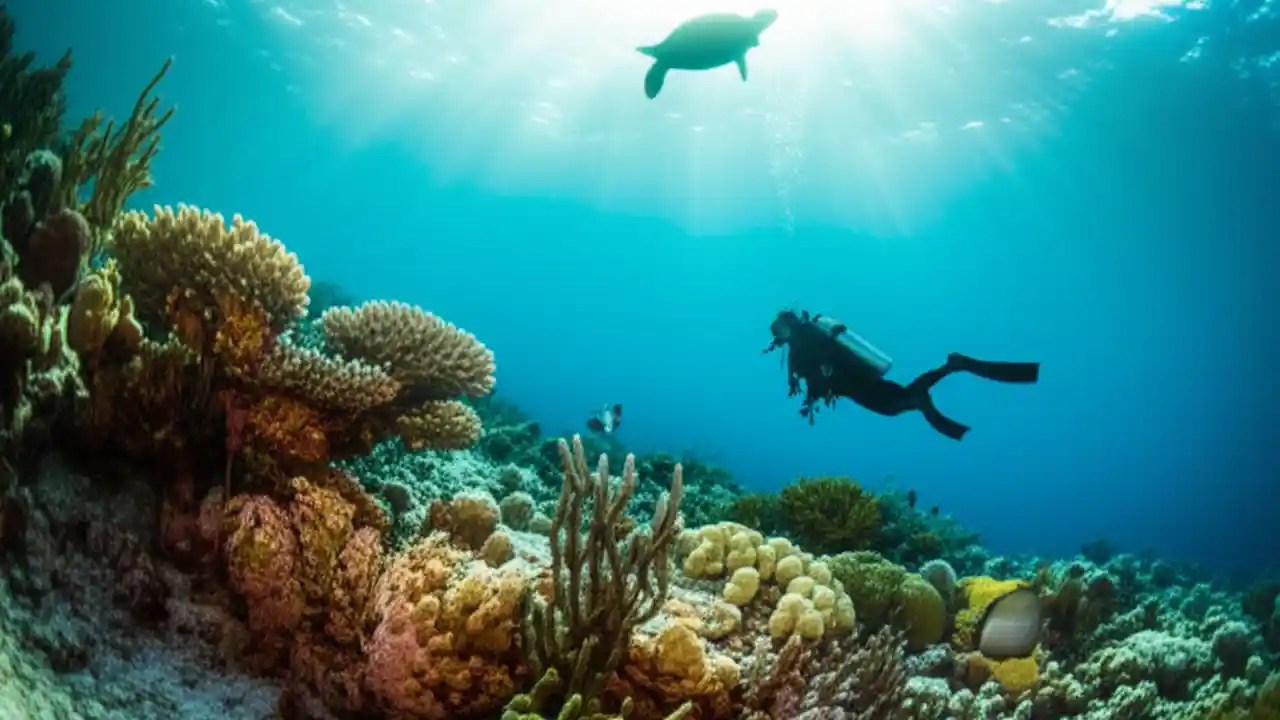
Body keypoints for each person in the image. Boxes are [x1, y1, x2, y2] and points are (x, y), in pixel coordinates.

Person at [764, 309, 1039, 440]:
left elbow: (820, 367)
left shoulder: (805, 341)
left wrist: (814, 388)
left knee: (896, 405)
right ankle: (950, 369)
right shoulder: (802, 343)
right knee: (900, 401)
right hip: (861, 382)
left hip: (858, 384)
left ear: (786, 327)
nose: (778, 337)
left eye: (778, 331)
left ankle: (951, 368)